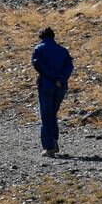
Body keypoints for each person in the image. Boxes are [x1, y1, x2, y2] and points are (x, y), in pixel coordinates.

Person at [31, 27, 73, 156]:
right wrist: (61, 79)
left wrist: (53, 78)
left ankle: (49, 147)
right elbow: (69, 66)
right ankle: (54, 140)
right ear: (53, 36)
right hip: (61, 86)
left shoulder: (38, 49)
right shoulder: (63, 50)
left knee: (46, 115)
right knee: (52, 113)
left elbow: (39, 66)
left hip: (46, 85)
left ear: (41, 37)